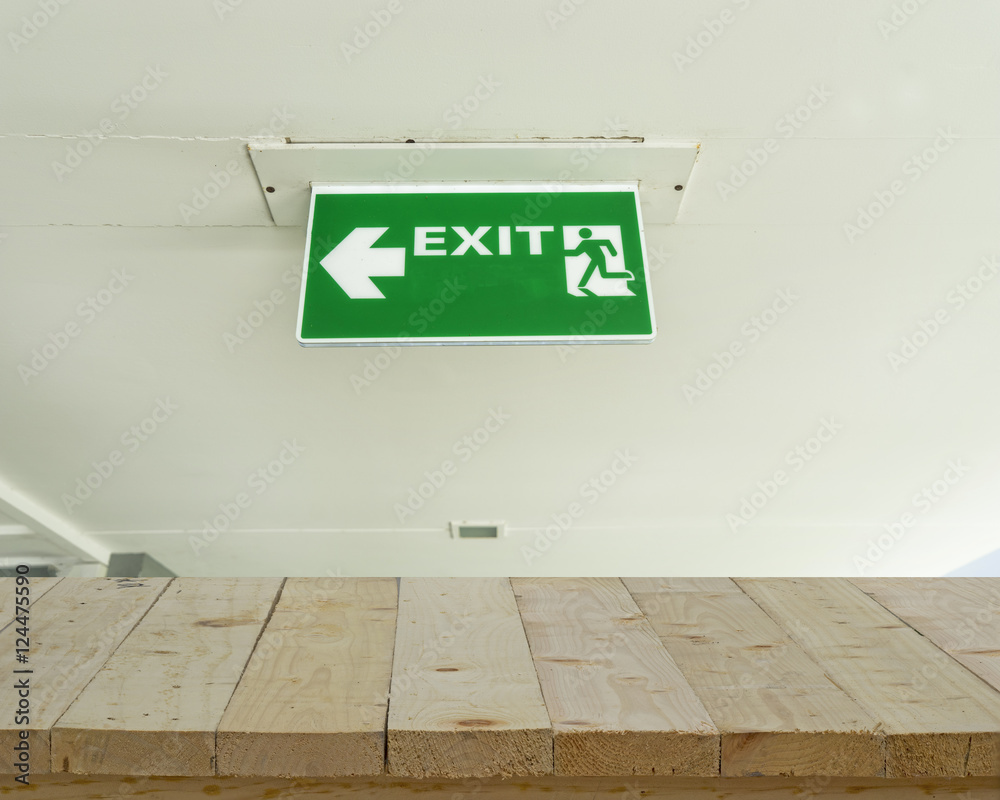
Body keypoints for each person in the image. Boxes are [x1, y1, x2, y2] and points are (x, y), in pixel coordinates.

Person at [569, 228, 633, 295]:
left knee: (604, 274)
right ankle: (582, 285)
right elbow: (576, 253)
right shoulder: (585, 243)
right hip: (596, 259)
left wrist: (613, 252)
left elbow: (576, 253)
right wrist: (613, 252)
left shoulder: (585, 243)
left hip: (599, 258)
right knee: (601, 274)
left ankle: (625, 275)